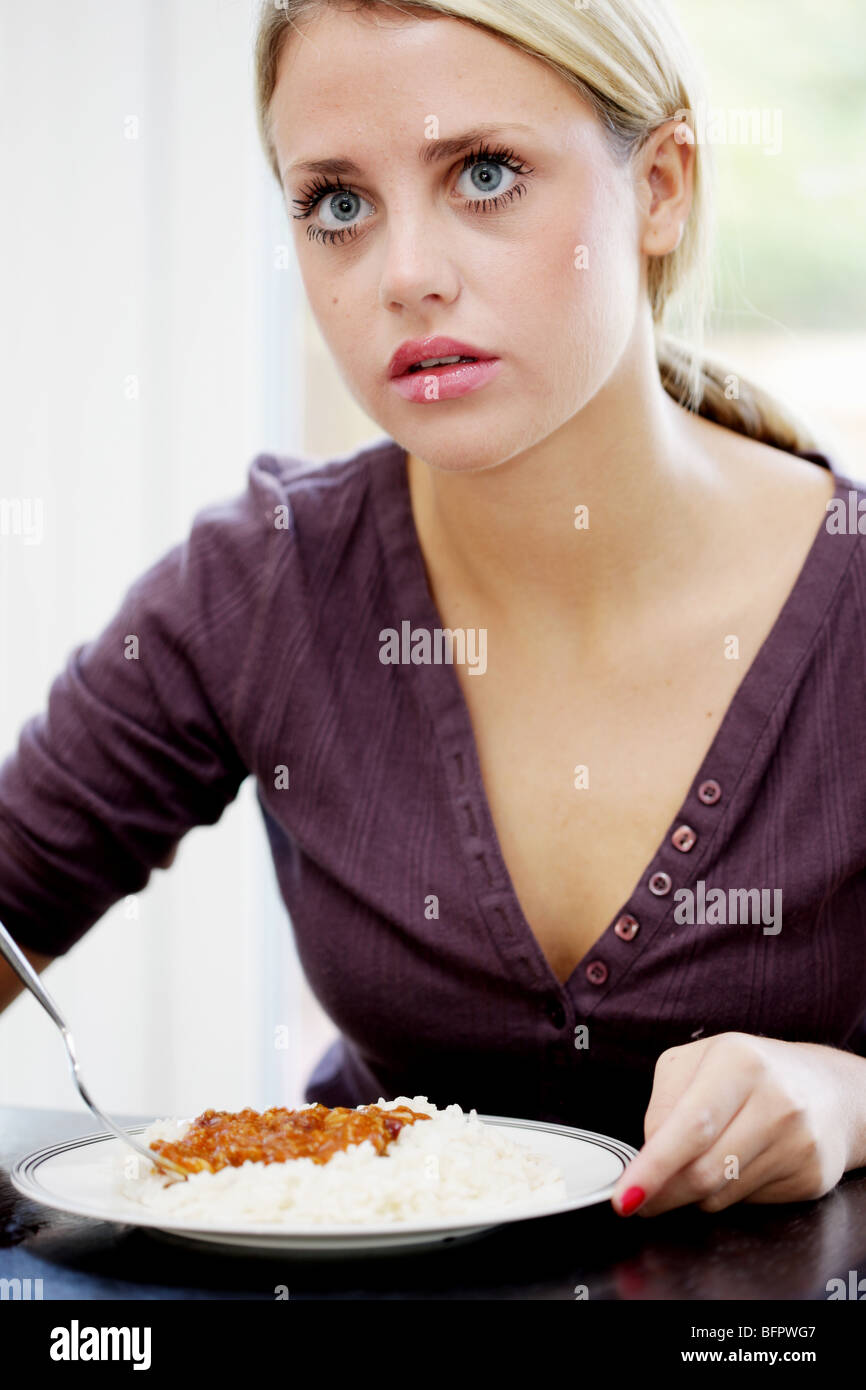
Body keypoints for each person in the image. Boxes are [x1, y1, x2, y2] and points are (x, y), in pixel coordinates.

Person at [2, 0, 865, 1222]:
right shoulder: (263, 587)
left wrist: (848, 1097)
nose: (404, 274)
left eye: (485, 172)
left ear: (660, 186)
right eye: (337, 205)